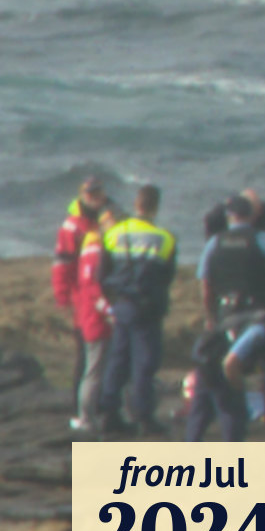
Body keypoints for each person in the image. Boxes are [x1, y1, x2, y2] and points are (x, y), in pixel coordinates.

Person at [98, 185, 177, 435]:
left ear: (136, 204)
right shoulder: (164, 238)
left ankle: (109, 413)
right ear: (156, 207)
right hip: (148, 308)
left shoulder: (114, 233)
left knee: (118, 359)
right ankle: (144, 416)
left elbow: (101, 274)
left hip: (121, 305)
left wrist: (112, 299)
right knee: (144, 363)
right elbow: (167, 276)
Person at [185, 312, 265, 442]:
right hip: (214, 363)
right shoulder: (259, 332)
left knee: (202, 408)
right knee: (233, 411)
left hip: (204, 357)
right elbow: (230, 364)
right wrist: (238, 388)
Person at [198, 192, 265, 332]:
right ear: (252, 215)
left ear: (229, 215)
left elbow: (206, 286)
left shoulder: (214, 243)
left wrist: (210, 318)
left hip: (228, 309)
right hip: (262, 310)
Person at [51, 176, 108, 419]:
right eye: (90, 193)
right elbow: (62, 264)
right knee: (84, 357)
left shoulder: (105, 218)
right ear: (82, 195)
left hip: (99, 296)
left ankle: (99, 406)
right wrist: (63, 297)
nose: (94, 197)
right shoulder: (73, 226)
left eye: (98, 192)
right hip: (81, 298)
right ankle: (79, 409)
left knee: (100, 357)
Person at [68, 205, 121, 432]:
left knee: (97, 368)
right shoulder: (93, 248)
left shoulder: (98, 247)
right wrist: (109, 311)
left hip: (93, 317)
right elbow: (91, 287)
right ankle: (86, 418)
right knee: (94, 371)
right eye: (110, 221)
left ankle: (91, 415)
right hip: (94, 319)